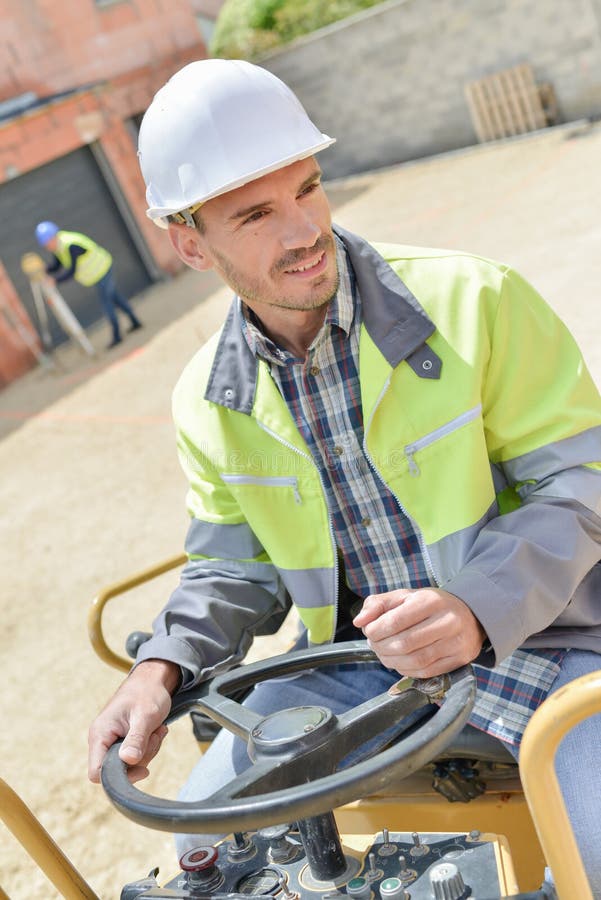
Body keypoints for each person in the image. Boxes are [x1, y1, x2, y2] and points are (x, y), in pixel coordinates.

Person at [87, 59, 601, 893]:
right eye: (255, 213)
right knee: (204, 861)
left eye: (308, 188)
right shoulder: (205, 400)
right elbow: (232, 564)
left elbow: (583, 485)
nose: (303, 231)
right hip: (351, 668)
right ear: (189, 243)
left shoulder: (477, 298)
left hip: (549, 641)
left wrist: (477, 605)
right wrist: (163, 666)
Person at [35, 221, 142, 349]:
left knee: (107, 304)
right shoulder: (58, 247)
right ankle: (135, 322)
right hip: (96, 274)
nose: (47, 247)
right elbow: (57, 265)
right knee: (115, 298)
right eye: (45, 245)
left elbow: (72, 271)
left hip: (102, 269)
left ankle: (117, 336)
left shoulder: (70, 245)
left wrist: (55, 281)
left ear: (53, 236)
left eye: (47, 243)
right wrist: (44, 269)